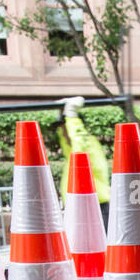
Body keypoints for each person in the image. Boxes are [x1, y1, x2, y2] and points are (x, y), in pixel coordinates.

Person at [57, 96, 111, 225]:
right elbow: (67, 140)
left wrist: (71, 117)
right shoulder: (70, 149)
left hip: (95, 205)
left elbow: (79, 143)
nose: (63, 132)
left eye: (65, 128)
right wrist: (61, 113)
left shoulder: (87, 144)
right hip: (80, 205)